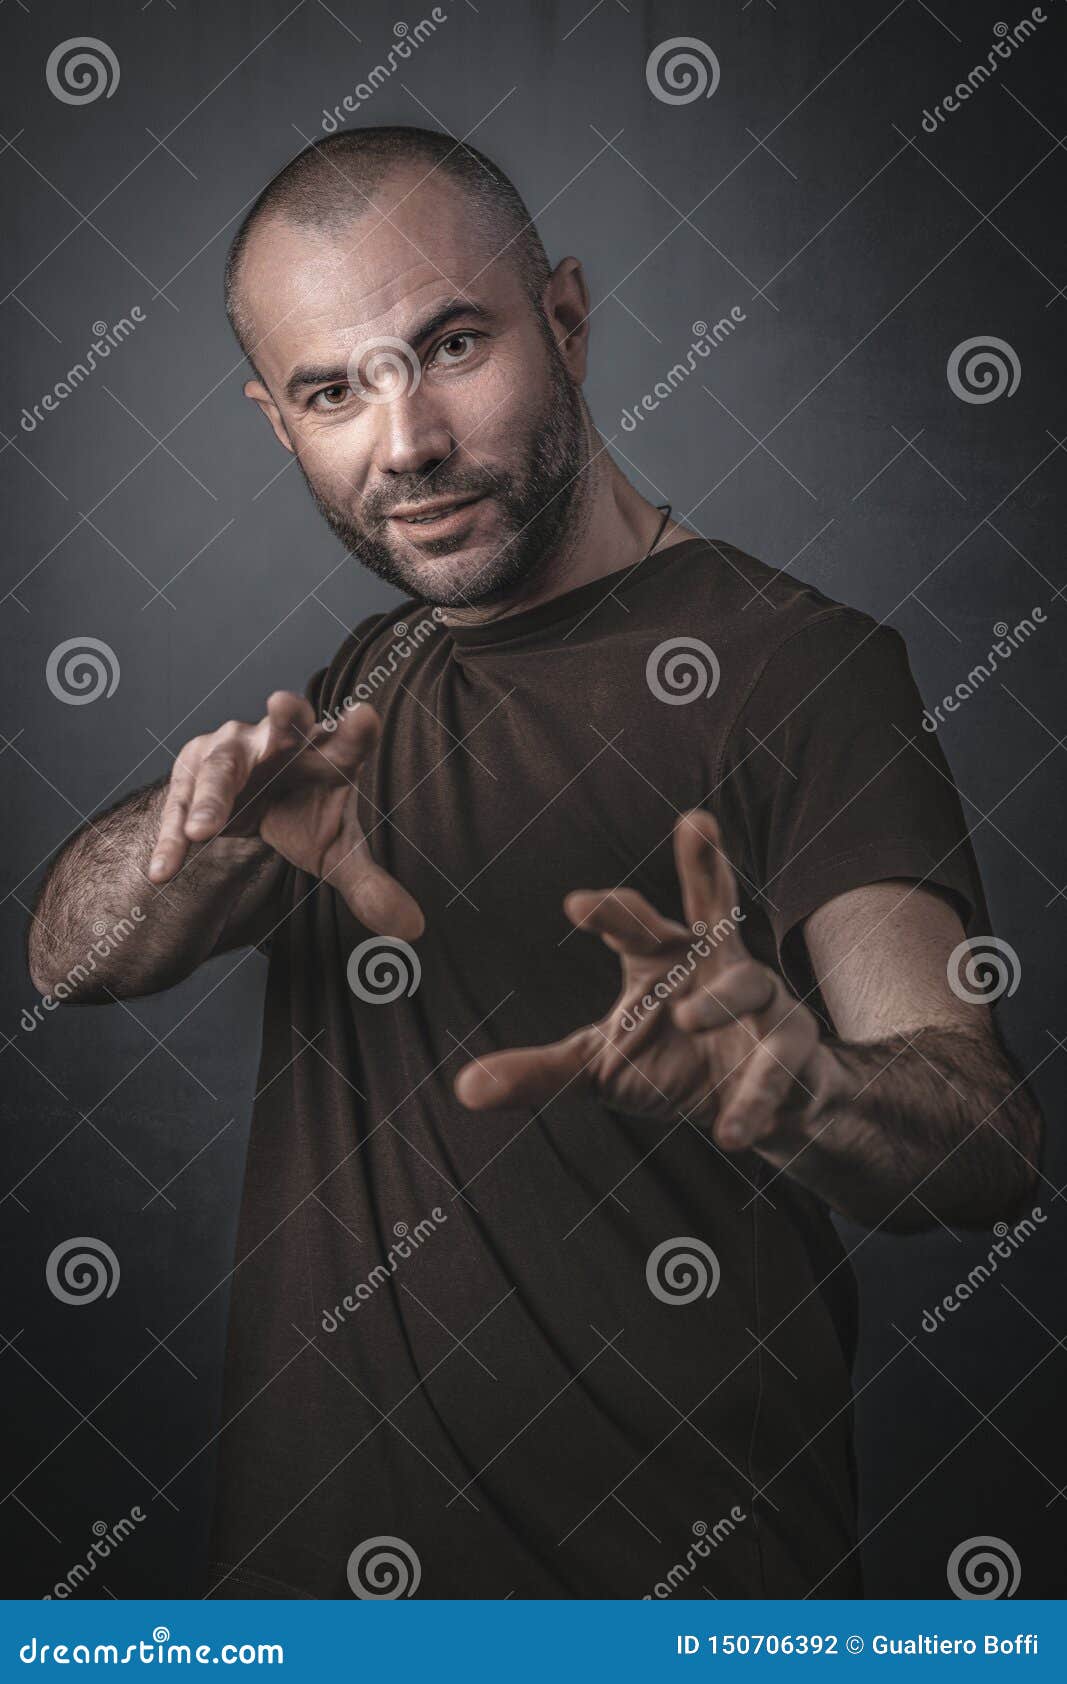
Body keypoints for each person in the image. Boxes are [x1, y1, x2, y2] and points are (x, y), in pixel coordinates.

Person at [27, 126, 1042, 1600]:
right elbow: (64, 959)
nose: (408, 440)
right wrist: (198, 837)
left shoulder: (800, 672)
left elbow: (986, 1137)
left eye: (451, 343)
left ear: (565, 317)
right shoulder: (371, 680)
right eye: (332, 391)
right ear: (278, 421)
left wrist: (810, 1086)